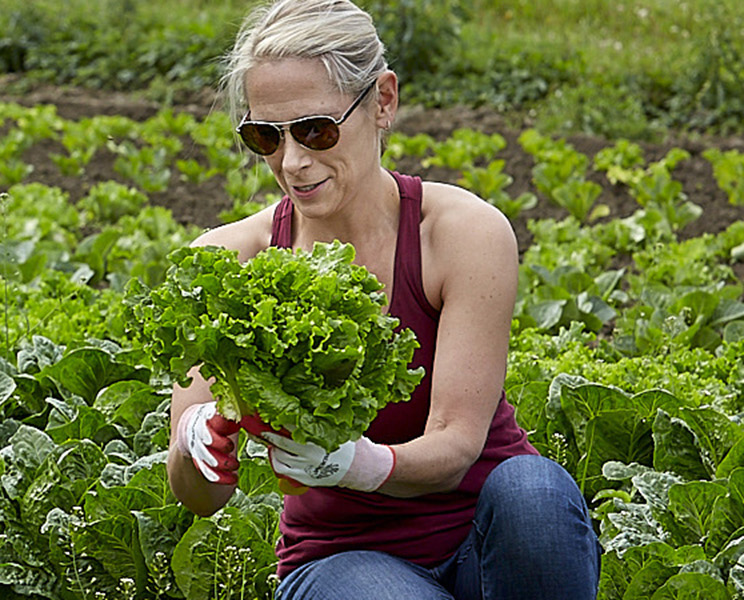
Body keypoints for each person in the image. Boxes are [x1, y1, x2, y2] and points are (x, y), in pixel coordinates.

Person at [163, 1, 600, 598]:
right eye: (266, 136)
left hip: (488, 538)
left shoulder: (461, 233)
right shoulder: (226, 260)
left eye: (316, 129)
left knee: (535, 491)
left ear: (383, 101)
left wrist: (358, 464)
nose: (292, 161)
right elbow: (203, 499)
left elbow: (454, 442)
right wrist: (194, 444)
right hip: (343, 557)